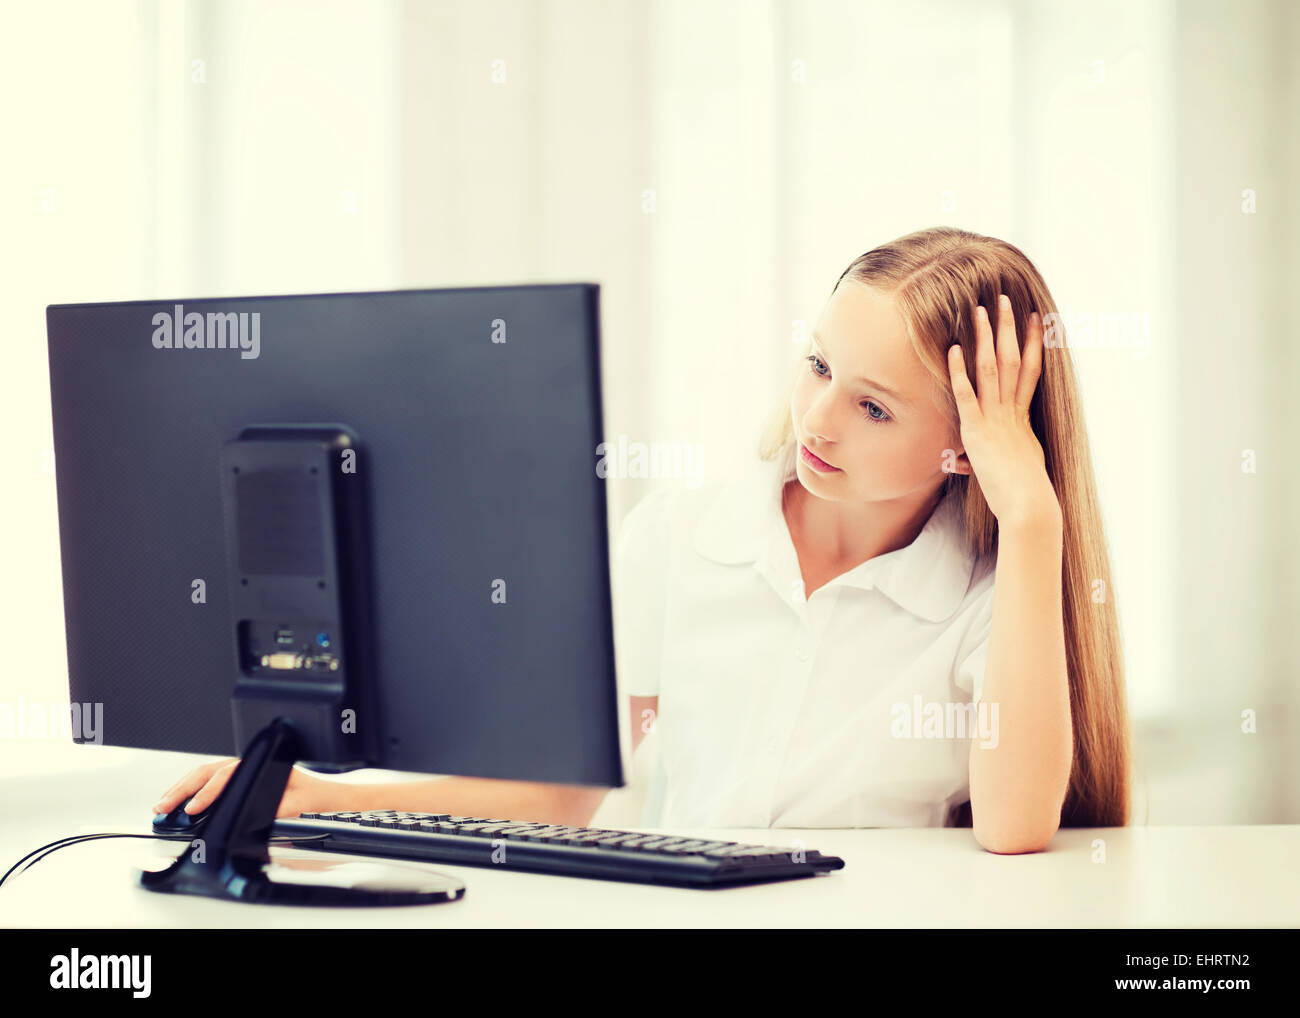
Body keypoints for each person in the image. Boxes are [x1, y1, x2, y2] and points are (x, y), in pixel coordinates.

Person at [154, 227, 1131, 854]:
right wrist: (319, 801)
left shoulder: (984, 596)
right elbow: (556, 796)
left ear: (970, 445)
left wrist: (1034, 517)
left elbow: (1013, 828)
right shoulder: (683, 535)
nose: (818, 420)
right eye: (817, 366)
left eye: (873, 406)